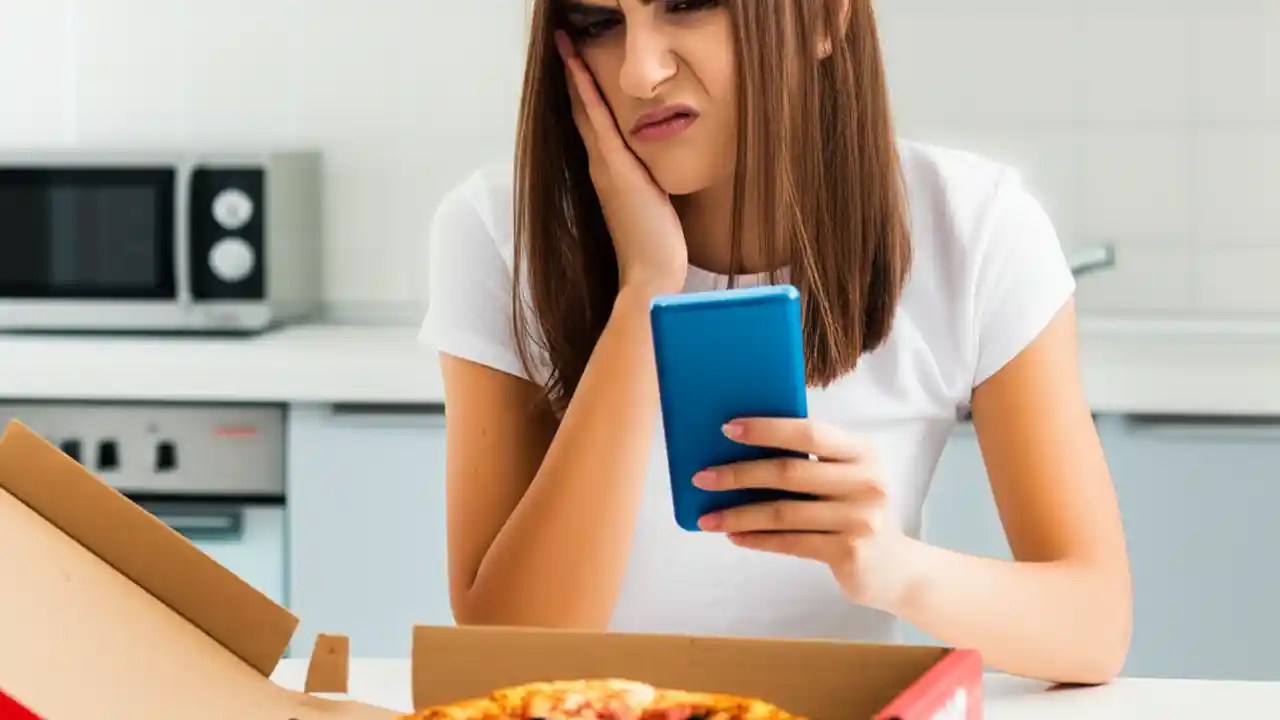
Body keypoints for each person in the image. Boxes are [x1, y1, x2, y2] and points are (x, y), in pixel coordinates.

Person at [420, 0, 1132, 685]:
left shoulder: (974, 228)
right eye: (599, 22)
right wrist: (645, 289)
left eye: (689, 4)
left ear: (824, 15)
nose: (639, 71)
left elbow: (1093, 628)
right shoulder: (498, 233)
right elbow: (509, 654)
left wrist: (893, 567)